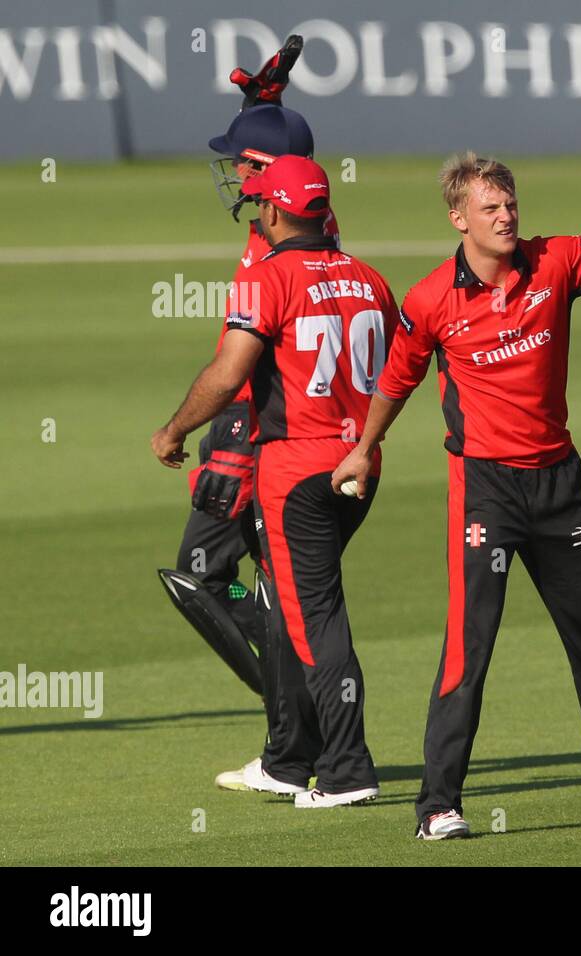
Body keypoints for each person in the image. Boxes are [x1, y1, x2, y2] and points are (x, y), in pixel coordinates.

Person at [330, 152, 581, 840]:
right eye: (489, 208)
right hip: (485, 492)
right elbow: (396, 381)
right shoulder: (432, 298)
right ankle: (438, 803)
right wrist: (365, 447)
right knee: (472, 646)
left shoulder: (554, 260)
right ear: (457, 218)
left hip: (560, 486)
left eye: (510, 203)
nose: (505, 216)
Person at [152, 156, 396, 808]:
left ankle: (345, 767)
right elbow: (398, 374)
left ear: (275, 211)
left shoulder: (268, 277)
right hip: (361, 466)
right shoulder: (372, 279)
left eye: (261, 201)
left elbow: (230, 374)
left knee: (314, 617)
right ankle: (289, 761)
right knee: (294, 607)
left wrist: (174, 430)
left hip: (295, 472)